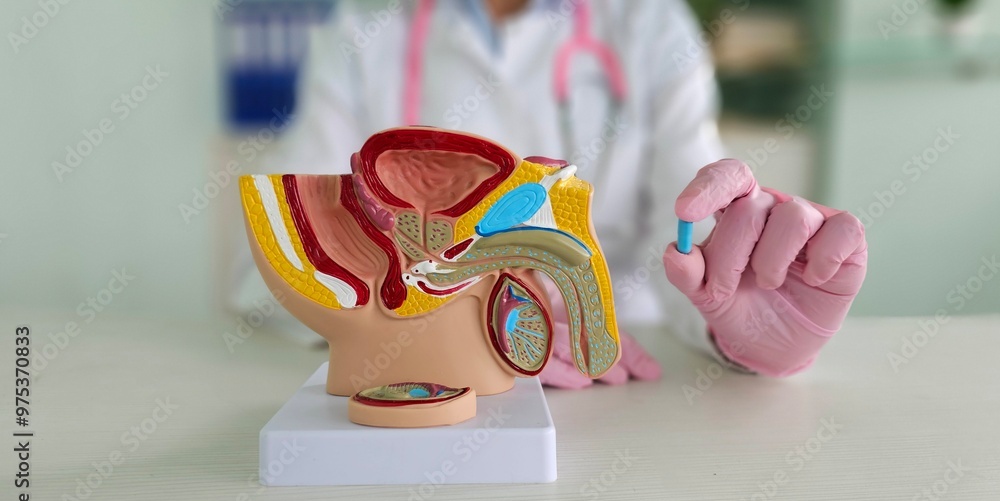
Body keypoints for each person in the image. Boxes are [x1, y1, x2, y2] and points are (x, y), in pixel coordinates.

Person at [235, 0, 868, 388]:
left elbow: (685, 225)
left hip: (615, 376)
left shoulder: (649, 24)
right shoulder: (361, 30)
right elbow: (278, 254)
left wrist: (736, 304)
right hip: (415, 374)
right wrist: (452, 325)